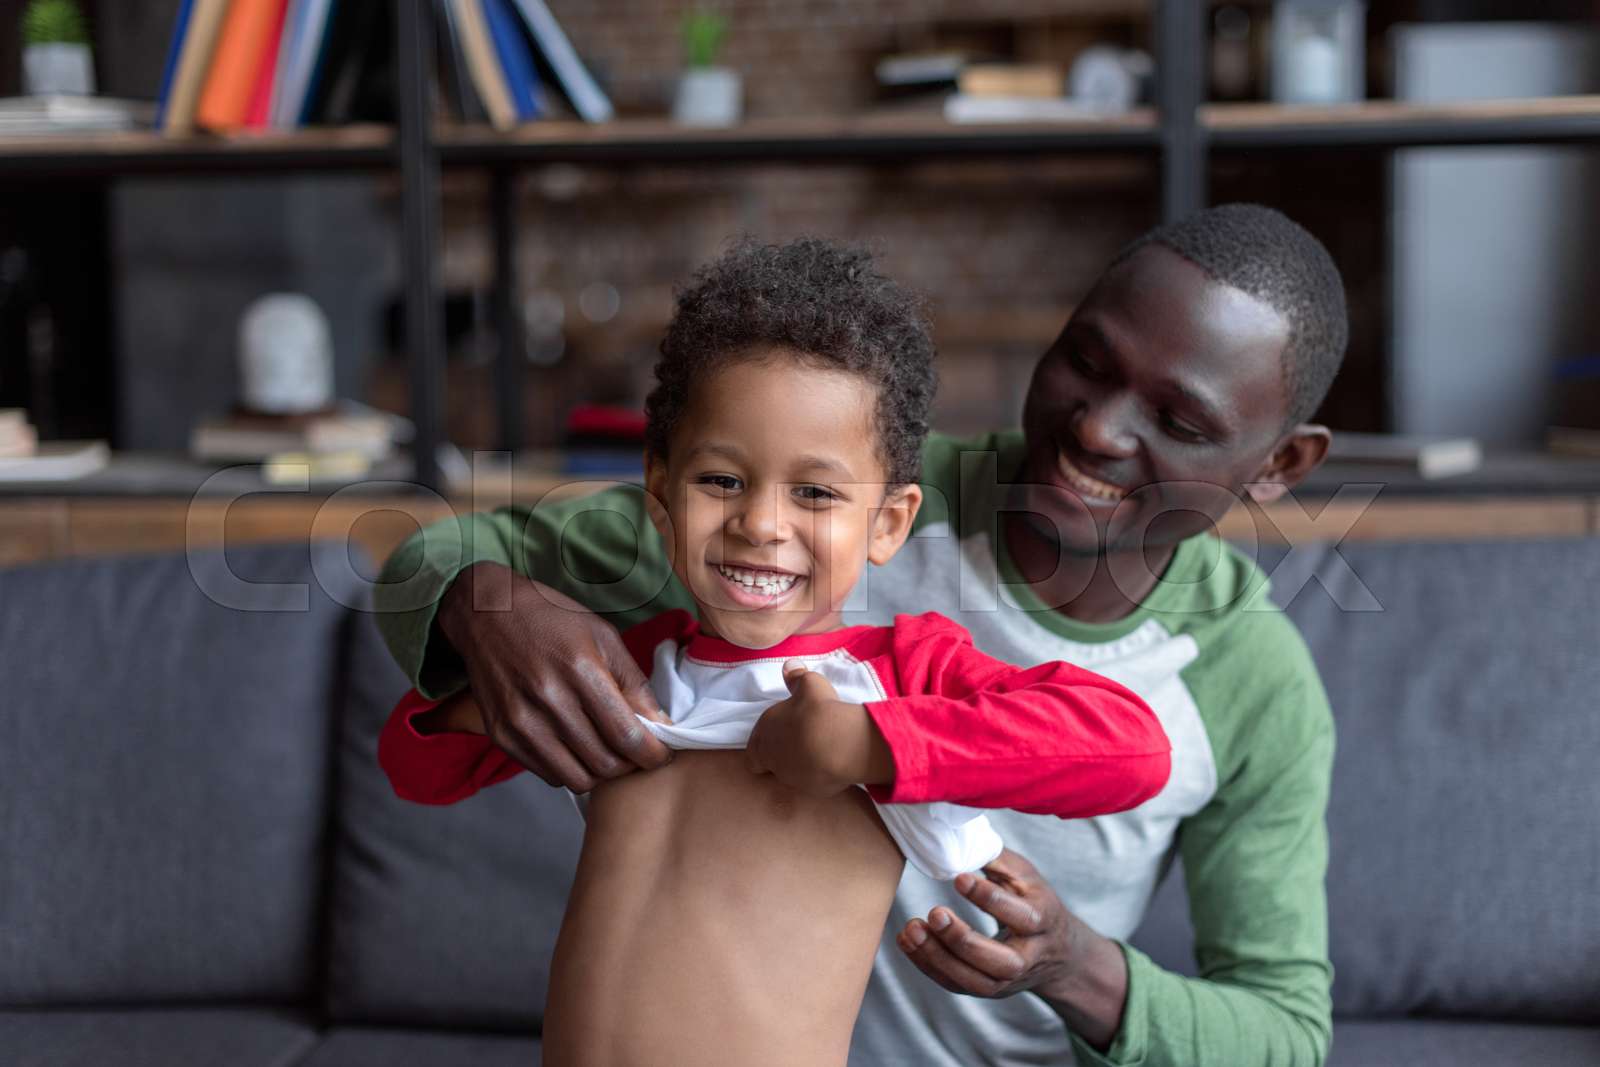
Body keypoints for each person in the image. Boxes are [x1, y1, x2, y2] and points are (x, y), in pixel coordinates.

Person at [374, 203, 1346, 1067]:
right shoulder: (811, 485)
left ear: (1279, 464)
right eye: (1086, 360)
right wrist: (485, 603)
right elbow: (438, 561)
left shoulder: (1245, 678)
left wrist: (1073, 965)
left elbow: (1284, 1030)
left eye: (1178, 418)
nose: (1097, 428)